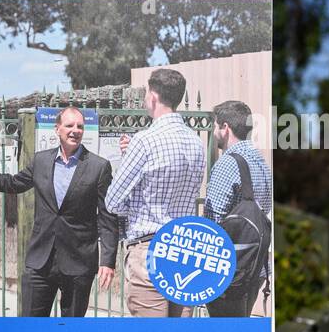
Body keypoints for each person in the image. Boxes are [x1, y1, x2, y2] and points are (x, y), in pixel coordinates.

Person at [0, 107, 116, 317]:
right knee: (30, 328)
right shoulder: (41, 160)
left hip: (78, 263)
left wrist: (107, 261)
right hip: (40, 262)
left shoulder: (99, 167)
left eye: (80, 126)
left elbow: (107, 216)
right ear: (57, 129)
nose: (75, 130)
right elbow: (12, 183)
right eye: (69, 125)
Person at [104, 68, 206, 317]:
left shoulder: (144, 140)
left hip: (149, 248)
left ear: (153, 96)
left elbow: (113, 201)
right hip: (183, 247)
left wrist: (137, 203)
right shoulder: (196, 142)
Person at [204, 100, 272, 317]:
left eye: (215, 126)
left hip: (228, 271)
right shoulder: (261, 162)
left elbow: (213, 219)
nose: (214, 132)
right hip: (255, 267)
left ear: (225, 128)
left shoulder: (227, 163)